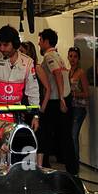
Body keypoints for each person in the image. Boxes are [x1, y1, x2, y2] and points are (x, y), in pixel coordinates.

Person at [37, 29, 77, 174]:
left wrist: (60, 98)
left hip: (55, 100)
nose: (39, 43)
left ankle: (46, 167)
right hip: (63, 98)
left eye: (40, 40)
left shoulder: (49, 56)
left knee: (48, 134)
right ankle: (72, 169)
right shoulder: (58, 56)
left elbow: (57, 74)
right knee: (65, 135)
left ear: (46, 42)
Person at [20, 40, 52, 164]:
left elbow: (47, 88)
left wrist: (41, 108)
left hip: (35, 106)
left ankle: (39, 166)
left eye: (22, 52)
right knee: (29, 137)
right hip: (25, 107)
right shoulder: (22, 68)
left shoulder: (37, 67)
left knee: (39, 137)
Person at [67, 45, 91, 177]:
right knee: (71, 135)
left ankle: (75, 165)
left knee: (73, 135)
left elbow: (87, 93)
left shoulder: (81, 73)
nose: (72, 59)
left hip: (79, 107)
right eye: (70, 56)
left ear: (79, 58)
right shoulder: (69, 71)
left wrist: (74, 94)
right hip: (72, 107)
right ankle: (72, 163)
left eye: (75, 57)